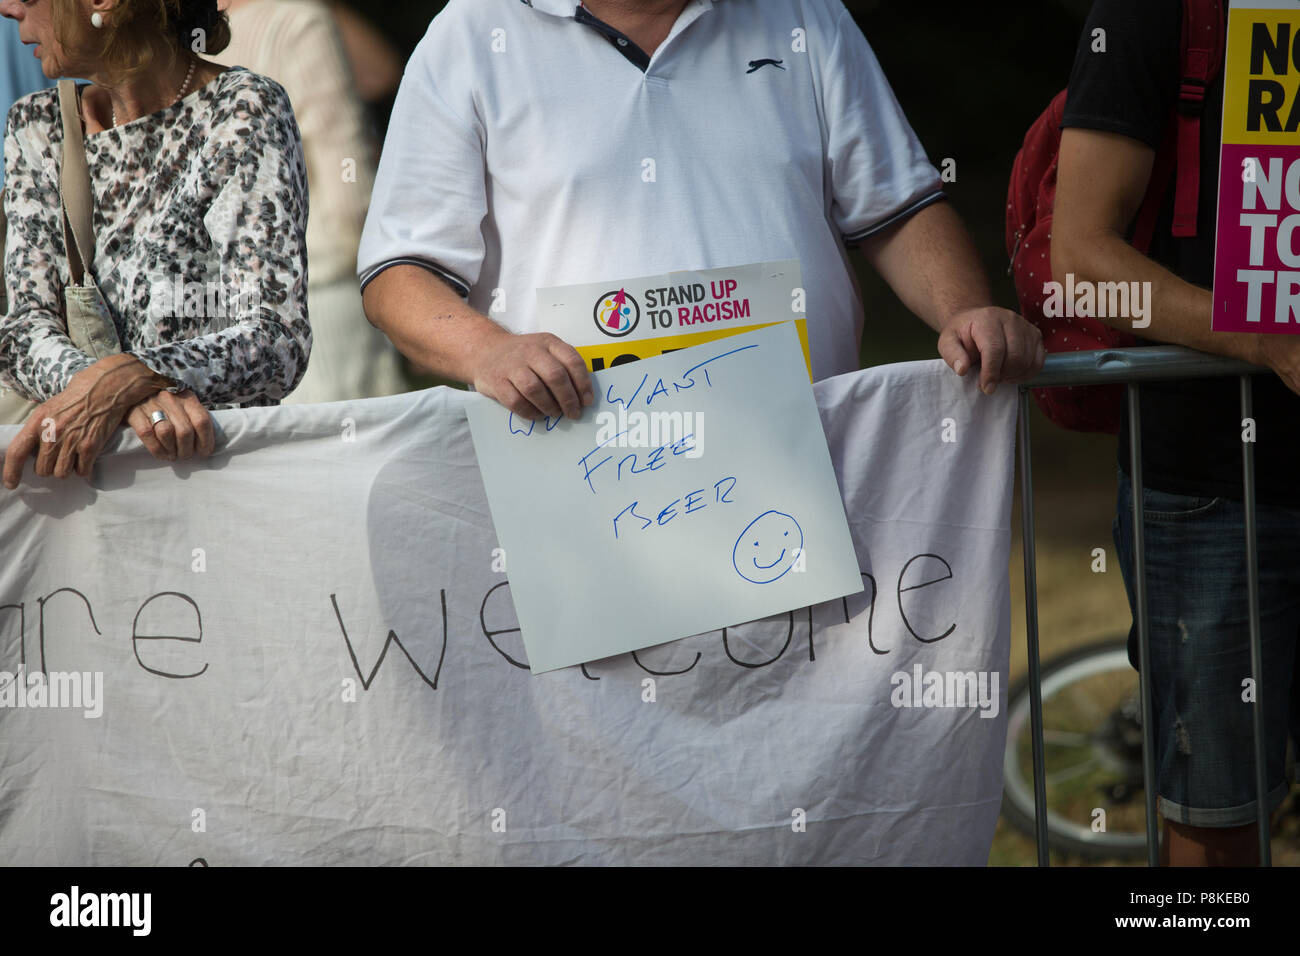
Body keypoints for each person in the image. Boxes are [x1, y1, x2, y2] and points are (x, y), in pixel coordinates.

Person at [358, 0, 1045, 424]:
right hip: (578, 470)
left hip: (808, 455)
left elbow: (898, 210)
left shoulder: (805, 14)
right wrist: (490, 351)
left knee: (808, 664)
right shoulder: (472, 34)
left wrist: (963, 312)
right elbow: (401, 274)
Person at [1053, 0, 1300, 865]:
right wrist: (1268, 337)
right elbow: (1080, 259)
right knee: (1216, 816)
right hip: (1213, 489)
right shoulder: (1160, 9)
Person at [0, 0, 310, 490]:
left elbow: (276, 339)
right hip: (84, 492)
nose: (8, 7)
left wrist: (135, 375)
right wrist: (109, 389)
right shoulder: (37, 127)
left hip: (213, 479)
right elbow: (21, 332)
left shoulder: (241, 108)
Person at [214, 0, 406, 404]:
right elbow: (345, 169)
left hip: (229, 309)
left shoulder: (174, 38)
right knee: (365, 455)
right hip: (323, 289)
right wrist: (389, 281)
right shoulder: (299, 21)